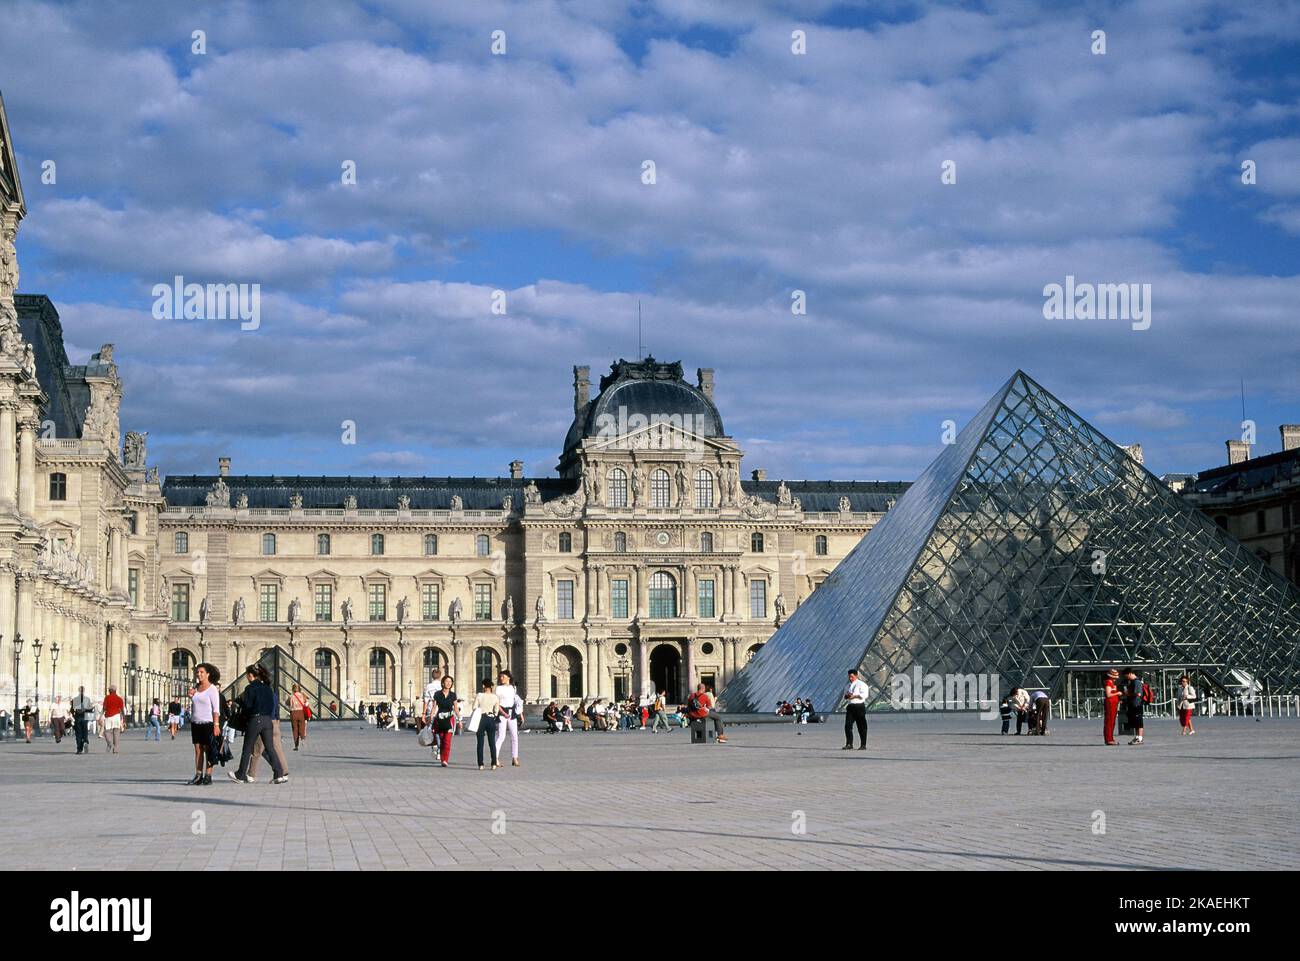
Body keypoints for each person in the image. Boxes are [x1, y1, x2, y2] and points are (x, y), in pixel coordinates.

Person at [230, 664, 289, 784]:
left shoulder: (250, 688)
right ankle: (278, 774)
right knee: (270, 748)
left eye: (247, 675)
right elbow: (272, 705)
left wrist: (244, 716)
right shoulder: (268, 688)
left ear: (251, 676)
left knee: (247, 748)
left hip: (255, 719)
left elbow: (247, 706)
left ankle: (241, 774)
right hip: (268, 721)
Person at [189, 663, 222, 785]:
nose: (199, 674)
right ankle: (198, 775)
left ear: (208, 674)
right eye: (197, 672)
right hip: (195, 722)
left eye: (202, 672)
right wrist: (191, 695)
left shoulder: (212, 689)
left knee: (208, 749)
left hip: (208, 723)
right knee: (198, 750)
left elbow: (216, 709)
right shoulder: (196, 688)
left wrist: (216, 725)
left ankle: (208, 775)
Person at [425, 674, 457, 767]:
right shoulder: (437, 694)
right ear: (443, 683)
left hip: (450, 719)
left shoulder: (453, 695)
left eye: (450, 682)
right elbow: (434, 707)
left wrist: (459, 720)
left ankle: (445, 760)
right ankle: (442, 757)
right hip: (439, 719)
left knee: (447, 741)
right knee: (441, 740)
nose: (448, 683)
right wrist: (431, 717)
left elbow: (455, 708)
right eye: (447, 681)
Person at [494, 670, 522, 767]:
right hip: (503, 712)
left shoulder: (513, 688)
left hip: (512, 712)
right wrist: (502, 712)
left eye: (503, 676)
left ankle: (515, 757)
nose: (501, 678)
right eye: (500, 677)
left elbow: (516, 701)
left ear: (508, 677)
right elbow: (497, 702)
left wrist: (520, 714)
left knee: (515, 736)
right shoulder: (498, 688)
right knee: (501, 736)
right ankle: (495, 758)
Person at [474, 678, 502, 771]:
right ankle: (493, 763)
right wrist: (493, 715)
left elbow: (474, 707)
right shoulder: (495, 697)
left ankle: (481, 764)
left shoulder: (479, 695)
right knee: (492, 743)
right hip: (490, 719)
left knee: (480, 743)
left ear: (483, 686)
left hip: (481, 719)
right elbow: (496, 711)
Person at [842, 669, 868, 750]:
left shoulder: (862, 684)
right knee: (847, 725)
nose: (850, 678)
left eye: (852, 677)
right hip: (850, 707)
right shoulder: (847, 686)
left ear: (856, 676)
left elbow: (864, 695)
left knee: (861, 726)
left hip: (859, 706)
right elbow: (845, 697)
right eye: (849, 677)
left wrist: (855, 696)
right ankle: (849, 744)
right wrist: (847, 696)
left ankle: (863, 744)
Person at [1124, 669, 1147, 745]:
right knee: (1136, 722)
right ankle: (1137, 737)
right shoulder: (1133, 682)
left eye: (1127, 676)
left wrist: (1127, 694)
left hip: (1137, 704)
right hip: (1133, 704)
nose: (1127, 678)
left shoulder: (1137, 682)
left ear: (1130, 674)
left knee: (1139, 721)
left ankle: (1140, 738)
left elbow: (1138, 694)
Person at [102, 685, 125, 754]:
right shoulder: (119, 698)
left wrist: (102, 713)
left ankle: (109, 743)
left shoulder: (107, 698)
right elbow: (122, 709)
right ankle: (115, 748)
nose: (108, 691)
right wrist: (123, 718)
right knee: (116, 732)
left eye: (109, 690)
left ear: (111, 690)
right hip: (117, 716)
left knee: (107, 731)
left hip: (109, 716)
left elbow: (104, 707)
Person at [71, 686, 94, 754]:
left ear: (78, 690)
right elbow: (90, 708)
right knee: (85, 731)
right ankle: (85, 741)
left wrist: (74, 715)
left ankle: (79, 749)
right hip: (85, 717)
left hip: (78, 717)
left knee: (78, 733)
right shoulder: (87, 699)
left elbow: (72, 709)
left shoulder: (75, 699)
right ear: (84, 690)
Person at [1103, 669, 1121, 745]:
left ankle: (1110, 738)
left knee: (1112, 721)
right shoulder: (1108, 683)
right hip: (1110, 704)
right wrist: (1117, 693)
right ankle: (1108, 739)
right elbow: (1108, 694)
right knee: (1109, 721)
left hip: (1113, 704)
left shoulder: (1112, 683)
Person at [289, 684, 309, 750]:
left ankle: (296, 745)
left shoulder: (291, 696)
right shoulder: (302, 695)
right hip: (301, 713)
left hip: (293, 713)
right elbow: (306, 702)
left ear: (293, 689)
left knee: (295, 729)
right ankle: (302, 737)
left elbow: (288, 704)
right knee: (302, 726)